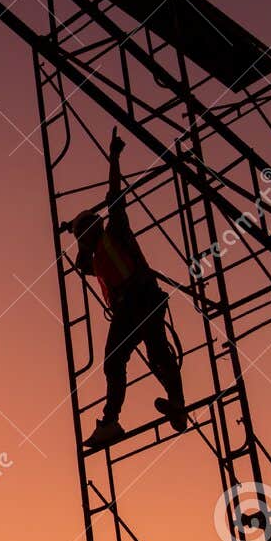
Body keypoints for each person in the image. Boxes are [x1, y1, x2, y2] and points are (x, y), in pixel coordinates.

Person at [61, 129, 186, 451]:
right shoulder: (95, 256)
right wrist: (68, 232)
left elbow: (115, 196)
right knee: (155, 352)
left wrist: (114, 158)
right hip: (142, 302)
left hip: (137, 301)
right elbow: (82, 264)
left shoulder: (113, 231)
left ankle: (111, 421)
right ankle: (176, 404)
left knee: (117, 362)